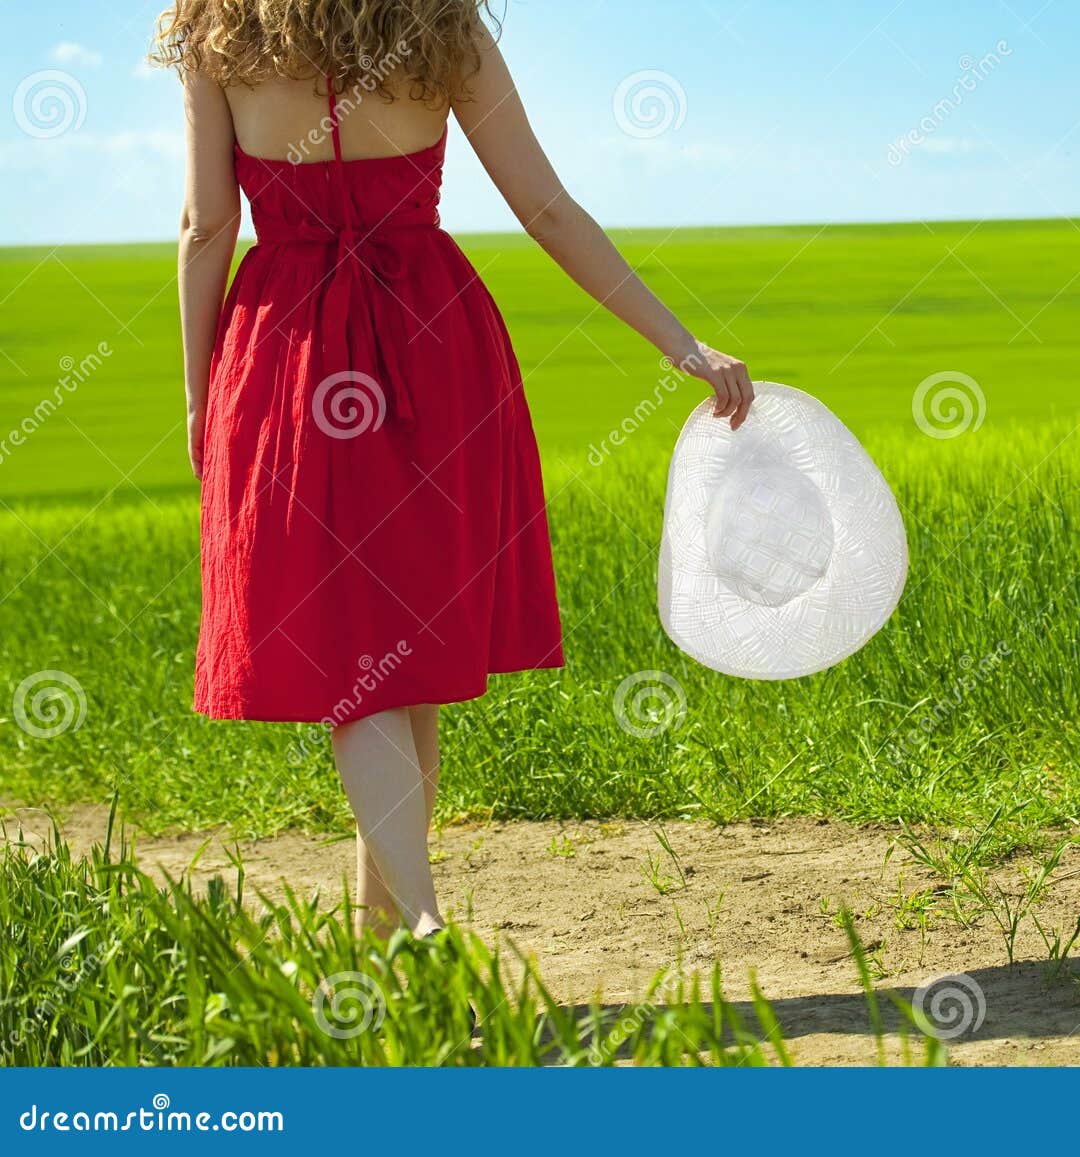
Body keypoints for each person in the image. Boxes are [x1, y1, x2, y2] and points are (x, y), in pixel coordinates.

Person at [153, 0, 752, 939]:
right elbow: (546, 207)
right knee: (397, 660)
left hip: (290, 354)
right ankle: (386, 948)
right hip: (435, 344)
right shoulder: (442, 24)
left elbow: (206, 226)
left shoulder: (217, 32)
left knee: (361, 658)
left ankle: (416, 923)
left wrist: (198, 394)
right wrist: (681, 344)